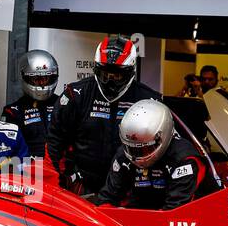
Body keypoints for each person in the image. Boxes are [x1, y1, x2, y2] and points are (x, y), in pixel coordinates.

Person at [47, 35, 160, 195]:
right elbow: (54, 142)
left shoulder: (149, 100)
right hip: (81, 186)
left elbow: (161, 147)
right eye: (105, 74)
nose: (110, 81)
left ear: (130, 71)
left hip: (128, 189)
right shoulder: (76, 94)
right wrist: (63, 179)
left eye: (117, 75)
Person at [96, 99, 217, 210]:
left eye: (146, 149)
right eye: (131, 148)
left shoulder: (185, 159)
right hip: (136, 218)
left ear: (162, 137)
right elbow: (106, 198)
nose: (138, 157)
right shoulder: (123, 155)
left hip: (181, 223)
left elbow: (175, 210)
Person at [1, 49, 59, 158]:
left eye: (45, 78)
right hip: (30, 169)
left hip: (58, 166)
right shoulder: (13, 111)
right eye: (37, 79)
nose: (42, 83)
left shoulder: (63, 104)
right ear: (25, 78)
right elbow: (9, 147)